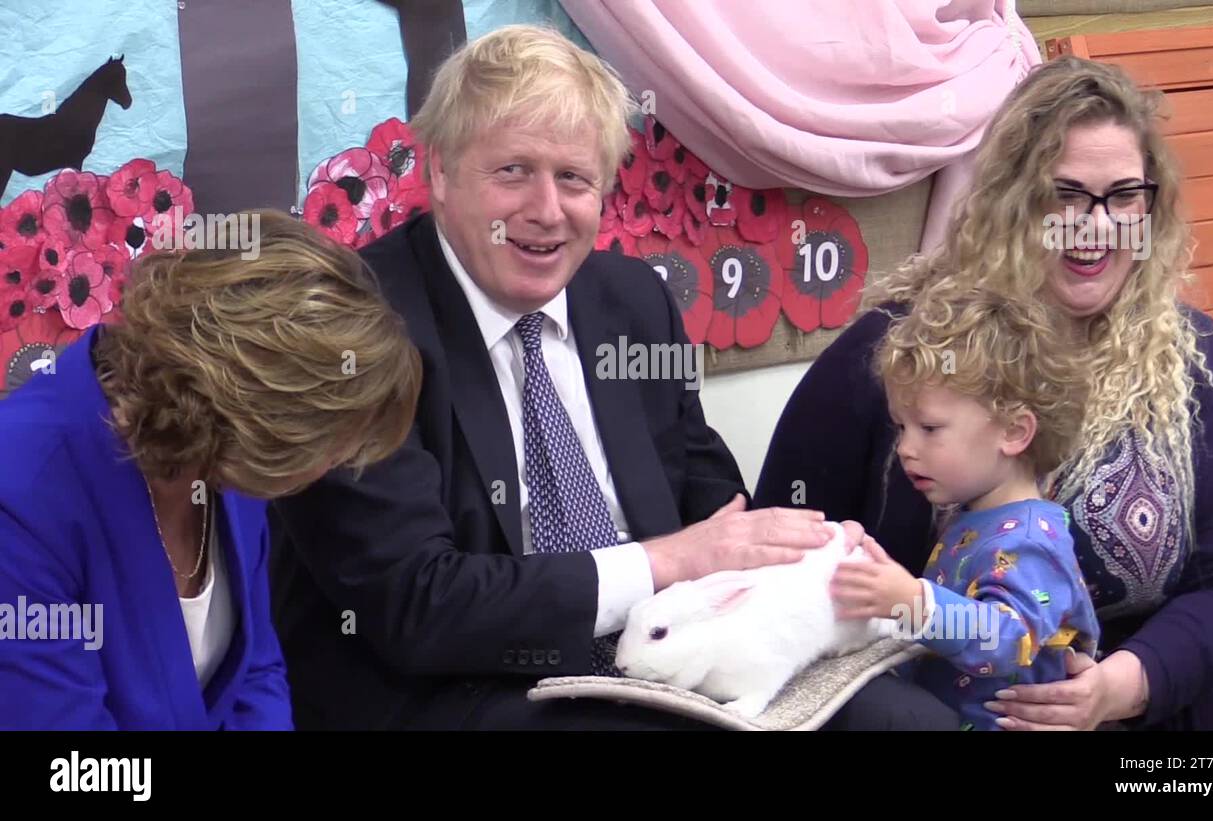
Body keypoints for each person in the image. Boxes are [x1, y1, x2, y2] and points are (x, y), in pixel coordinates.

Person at [267, 24, 958, 731]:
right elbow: (417, 603)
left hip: (659, 650)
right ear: (439, 171)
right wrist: (661, 563)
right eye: (512, 171)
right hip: (454, 681)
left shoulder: (632, 300)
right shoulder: (353, 328)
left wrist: (810, 556)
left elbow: (710, 502)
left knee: (912, 723)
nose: (546, 210)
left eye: (573, 178)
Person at [756, 55, 1213, 730]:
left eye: (1124, 196)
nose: (1094, 226)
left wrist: (1122, 685)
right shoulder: (896, 350)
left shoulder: (1202, 362)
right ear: (1009, 198)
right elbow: (782, 542)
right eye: (1064, 194)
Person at [0, 210, 422, 729]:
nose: (336, 465)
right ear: (259, 413)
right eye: (331, 443)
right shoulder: (21, 495)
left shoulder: (220, 453)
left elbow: (255, 673)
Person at [829, 284, 1101, 730]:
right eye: (901, 427)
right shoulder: (975, 515)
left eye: (929, 428)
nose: (905, 448)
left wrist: (913, 602)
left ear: (1013, 432)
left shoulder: (1031, 540)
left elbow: (1009, 639)